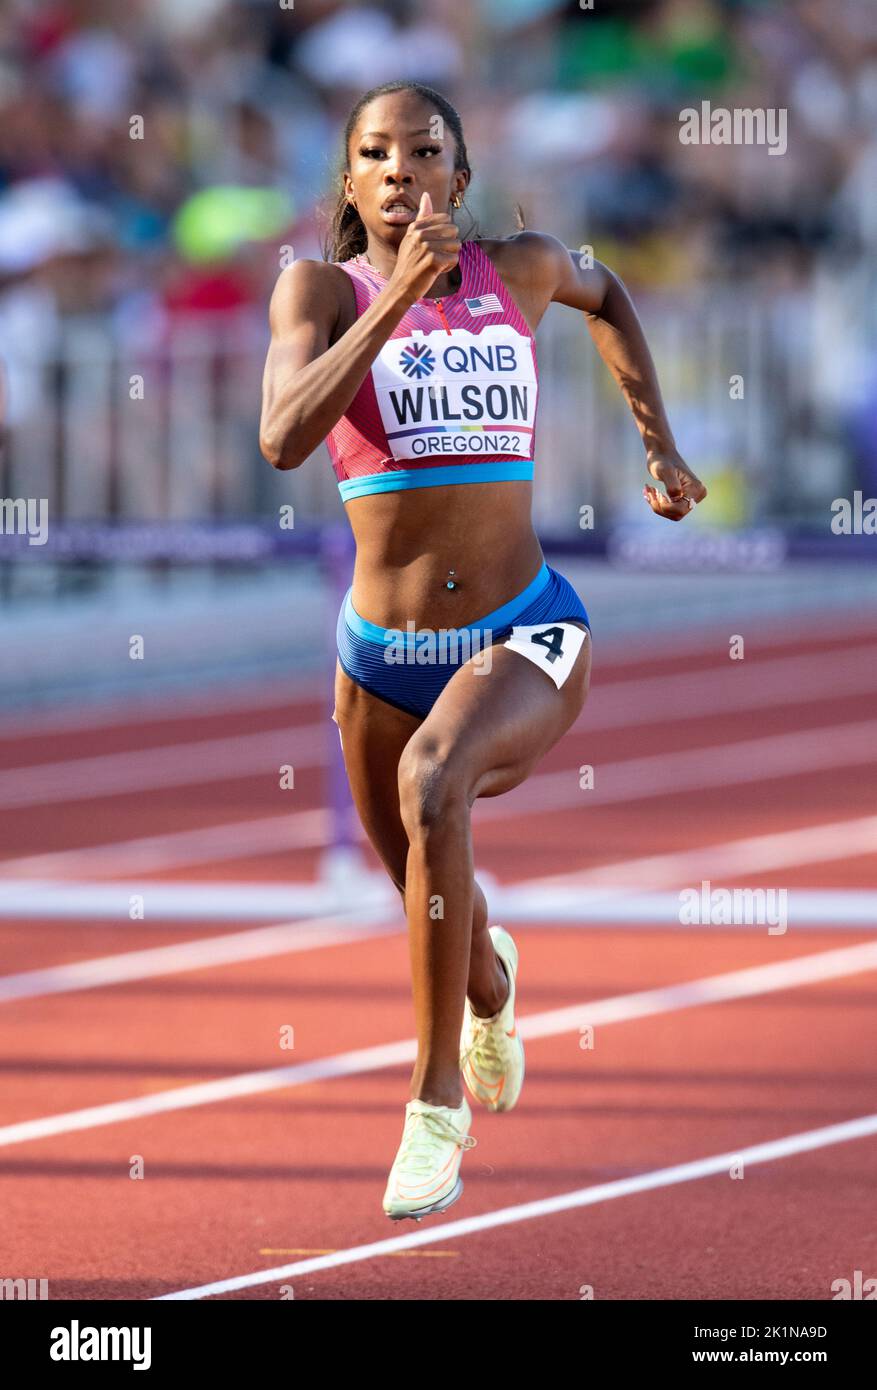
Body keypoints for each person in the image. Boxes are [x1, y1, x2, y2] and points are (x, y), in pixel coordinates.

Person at [259, 80, 706, 1222]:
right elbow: (282, 437)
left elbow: (610, 301)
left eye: (425, 149)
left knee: (433, 784)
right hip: (380, 652)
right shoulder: (318, 289)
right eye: (377, 154)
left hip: (525, 628)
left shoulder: (528, 269)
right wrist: (392, 301)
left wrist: (658, 446)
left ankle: (431, 1103)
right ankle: (492, 986)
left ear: (460, 173)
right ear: (352, 184)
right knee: (417, 874)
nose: (402, 169)